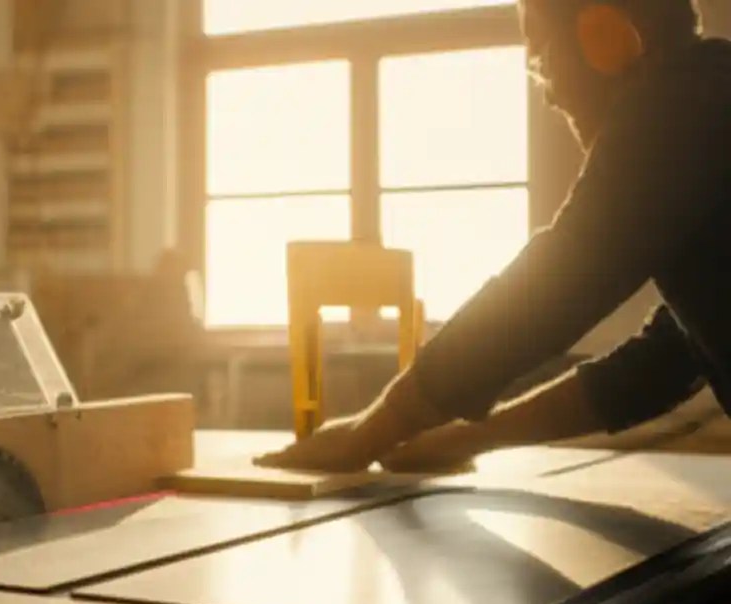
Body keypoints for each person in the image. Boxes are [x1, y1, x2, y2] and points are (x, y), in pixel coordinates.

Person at [257, 0, 731, 473]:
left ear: (602, 38)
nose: (548, 95)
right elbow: (665, 361)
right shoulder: (709, 97)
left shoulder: (679, 105)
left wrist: (372, 430)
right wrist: (472, 436)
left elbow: (559, 283)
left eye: (541, 59)